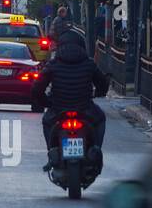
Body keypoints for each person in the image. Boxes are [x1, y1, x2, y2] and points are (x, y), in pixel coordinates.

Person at [33, 29, 109, 170]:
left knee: (46, 122)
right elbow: (103, 83)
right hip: (84, 109)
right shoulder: (89, 64)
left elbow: (38, 87)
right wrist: (99, 92)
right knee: (100, 120)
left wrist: (46, 102)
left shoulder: (53, 64)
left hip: (58, 109)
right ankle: (95, 150)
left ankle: (52, 153)